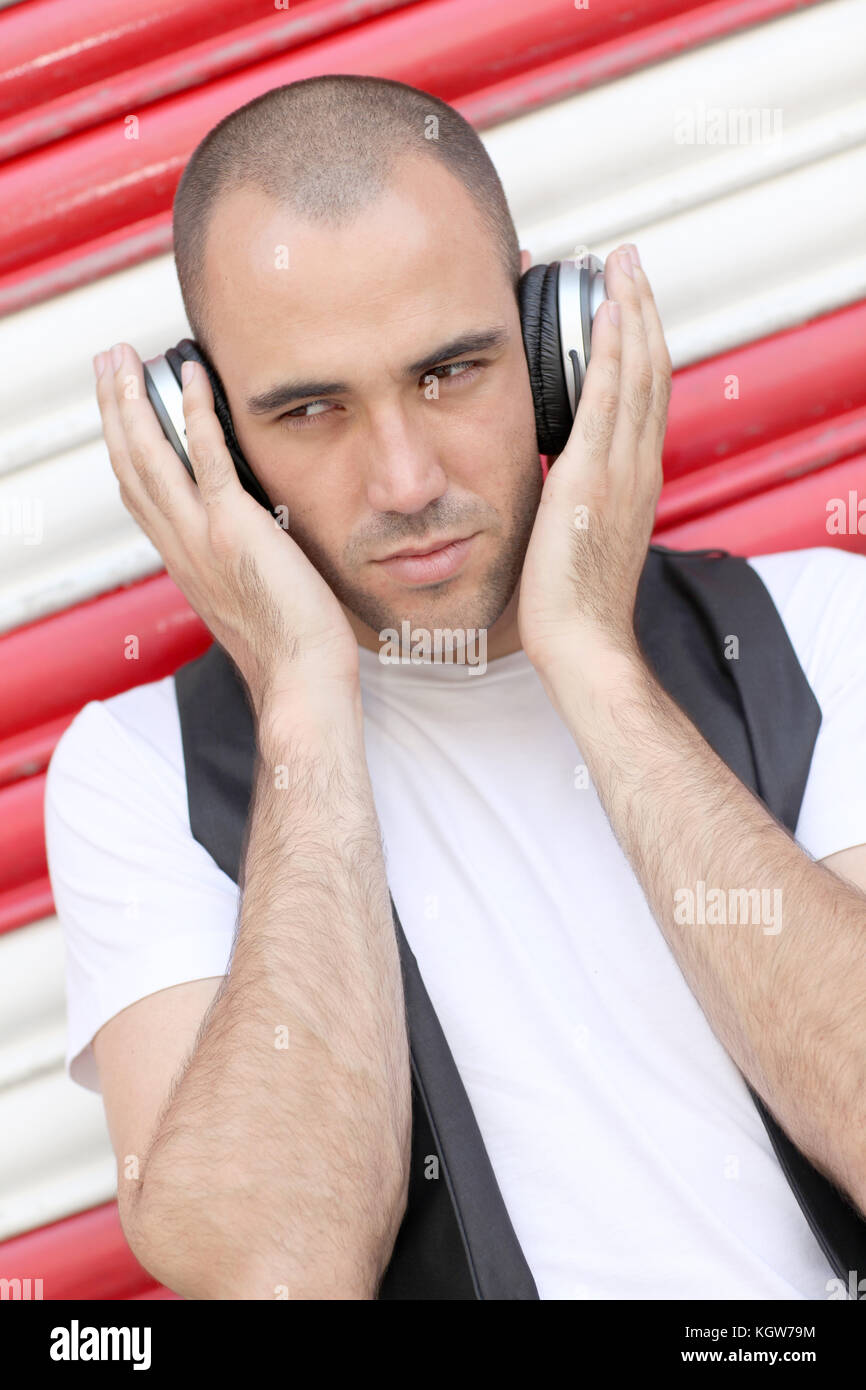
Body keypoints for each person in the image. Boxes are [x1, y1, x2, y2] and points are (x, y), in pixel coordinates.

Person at [45, 75, 866, 1301]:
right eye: (310, 409)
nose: (404, 476)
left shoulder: (805, 626)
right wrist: (305, 708)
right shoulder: (140, 776)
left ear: (550, 346)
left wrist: (589, 659)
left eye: (450, 371)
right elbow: (282, 1269)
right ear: (204, 433)